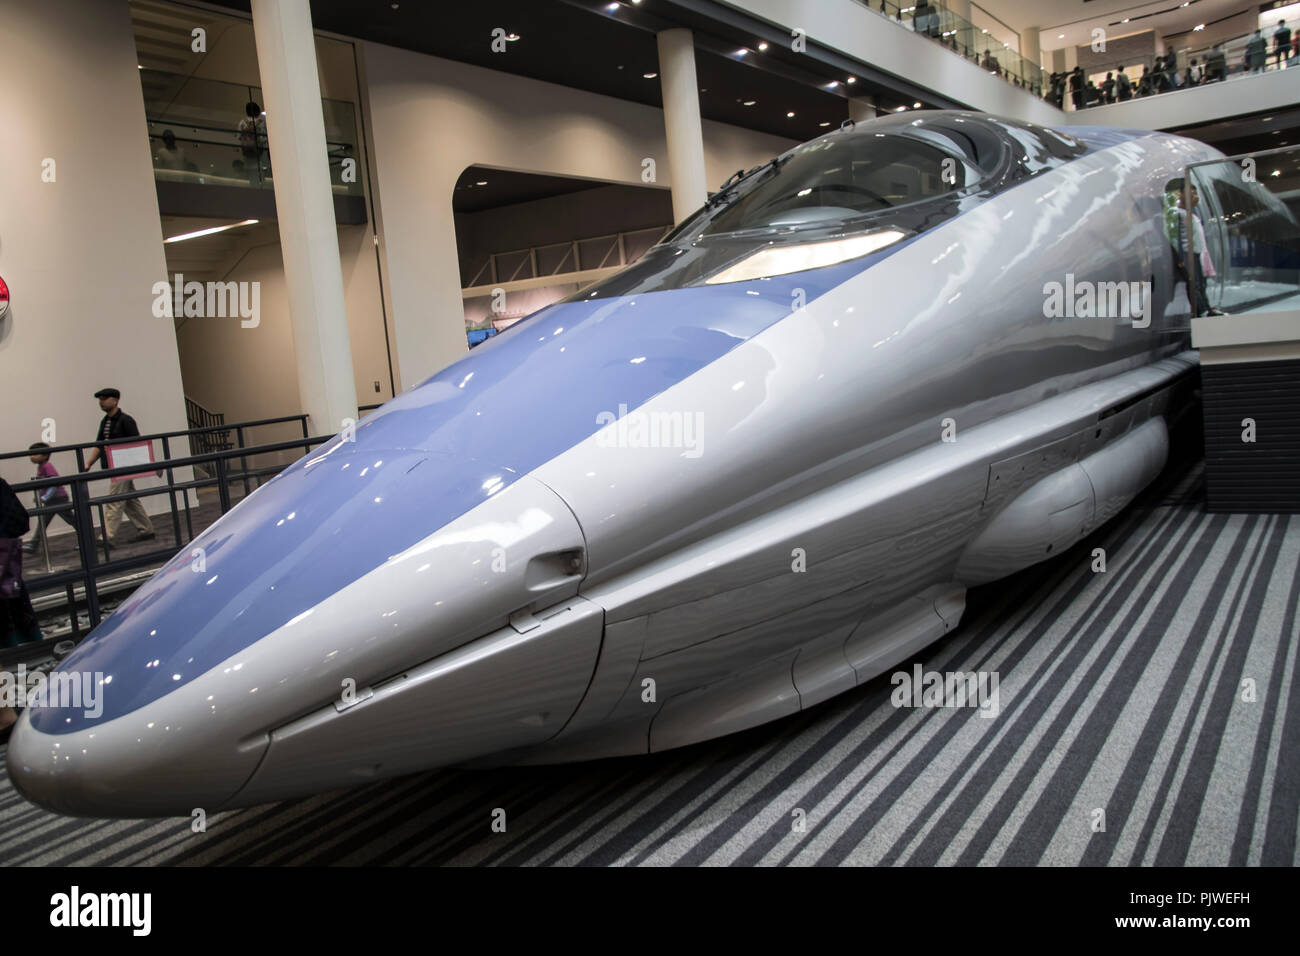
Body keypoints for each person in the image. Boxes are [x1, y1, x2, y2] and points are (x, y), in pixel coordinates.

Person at [82, 388, 155, 545]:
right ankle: (146, 529)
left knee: (115, 500)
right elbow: (99, 444)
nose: (101, 402)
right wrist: (88, 463)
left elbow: (137, 443)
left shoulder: (126, 420)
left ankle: (107, 536)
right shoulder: (105, 421)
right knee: (129, 500)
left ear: (115, 400)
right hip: (114, 467)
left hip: (124, 466)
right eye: (100, 399)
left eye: (105, 398)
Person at [23, 442, 75, 556]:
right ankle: (33, 544)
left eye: (35, 454)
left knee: (73, 521)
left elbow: (54, 483)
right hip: (52, 500)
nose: (31, 456)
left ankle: (86, 539)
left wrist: (44, 497)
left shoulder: (47, 466)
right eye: (30, 454)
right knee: (43, 522)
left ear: (45, 455)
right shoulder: (41, 467)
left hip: (59, 499)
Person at [238, 101, 266, 185]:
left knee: (251, 174)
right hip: (259, 153)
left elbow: (239, 136)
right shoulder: (261, 123)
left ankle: (252, 184)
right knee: (260, 173)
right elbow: (264, 137)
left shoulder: (242, 122)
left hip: (247, 153)